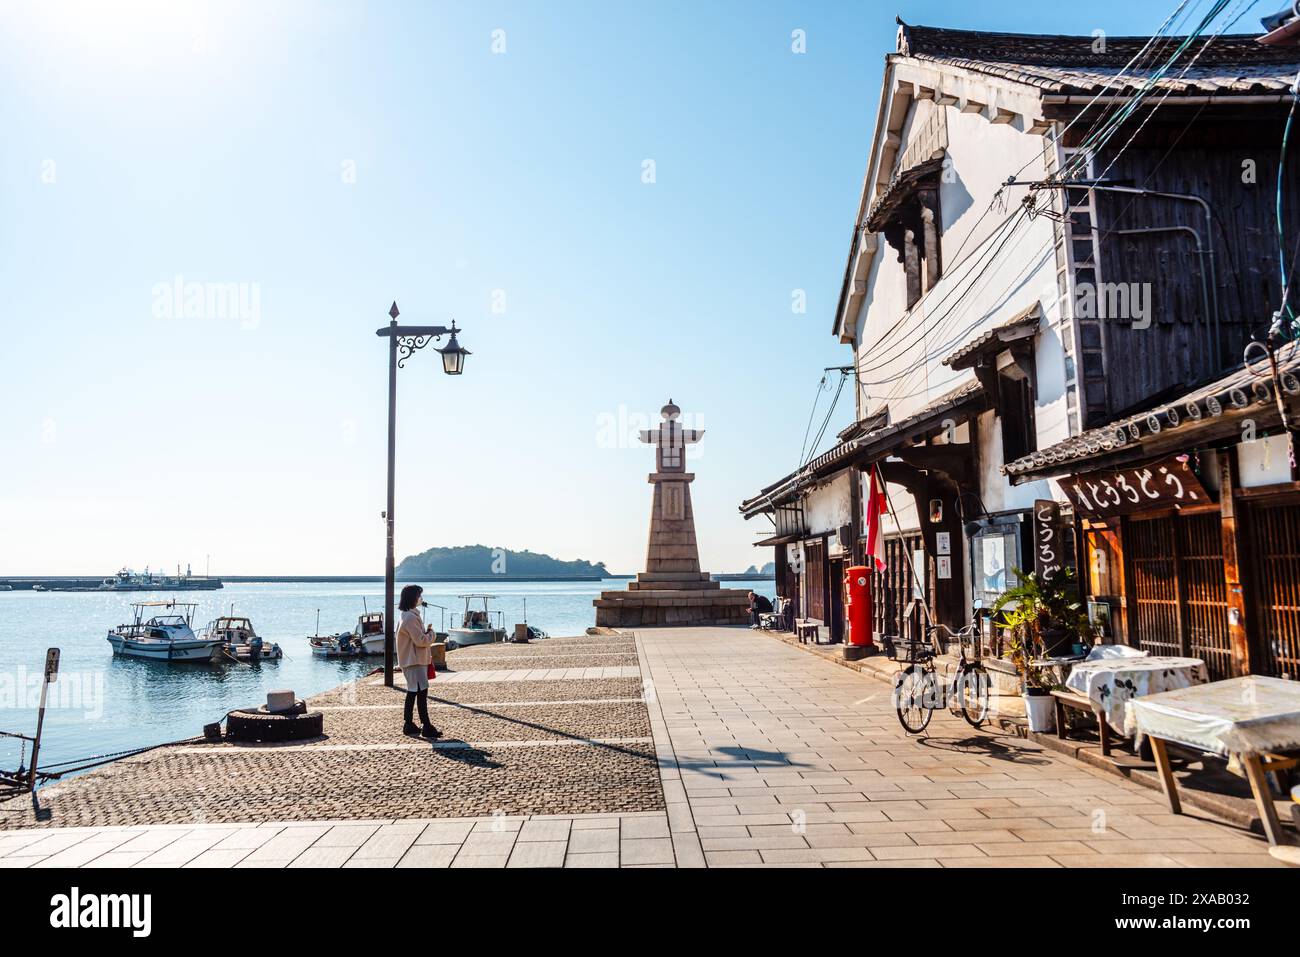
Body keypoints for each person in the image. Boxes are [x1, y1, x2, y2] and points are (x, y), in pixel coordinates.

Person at [396, 585, 441, 739]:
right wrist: (432, 634)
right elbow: (420, 641)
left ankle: (409, 724)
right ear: (413, 598)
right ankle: (426, 726)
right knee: (420, 692)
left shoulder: (407, 615)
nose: (421, 598)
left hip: (412, 660)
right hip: (414, 661)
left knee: (413, 692)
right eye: (419, 595)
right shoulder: (410, 617)